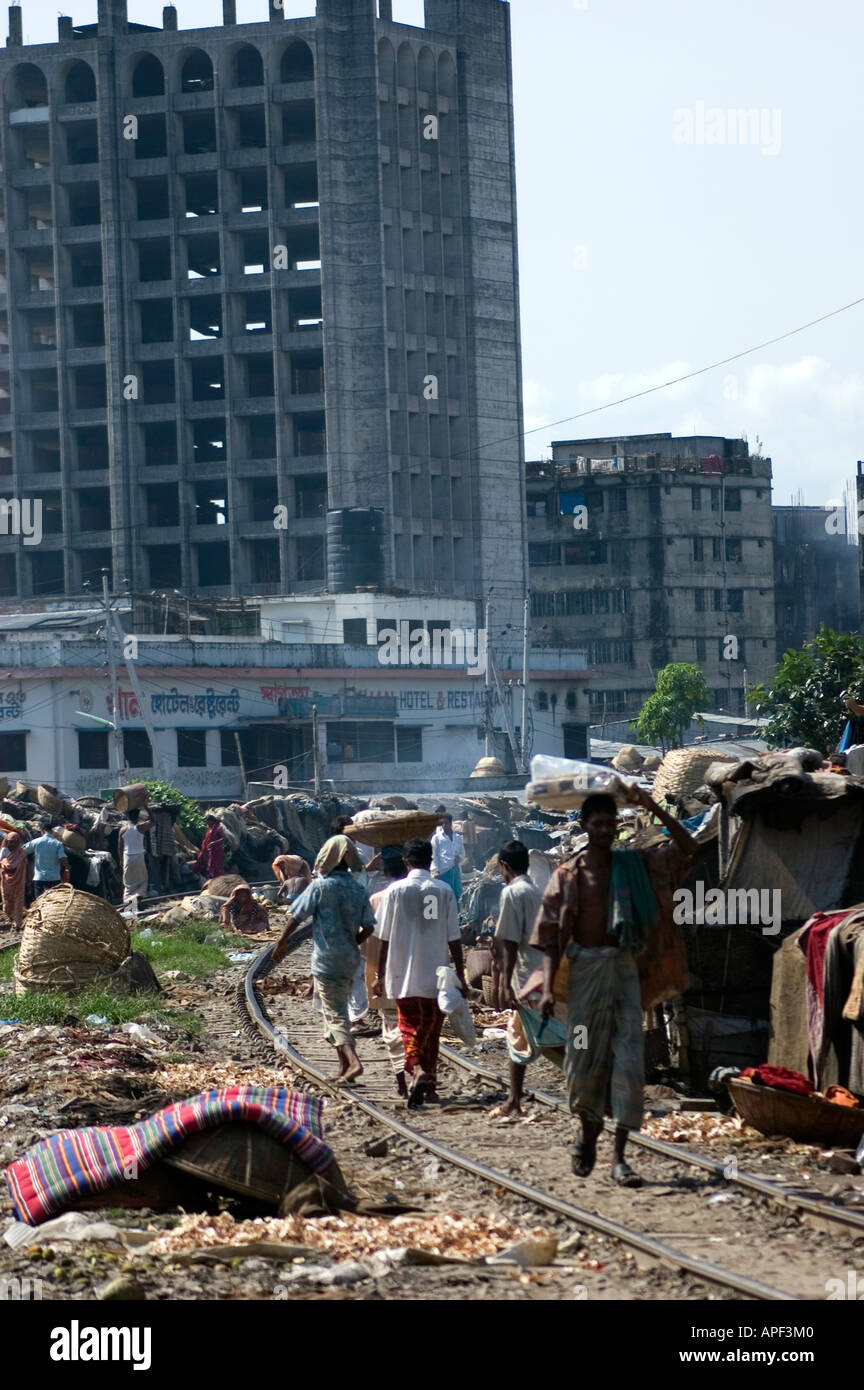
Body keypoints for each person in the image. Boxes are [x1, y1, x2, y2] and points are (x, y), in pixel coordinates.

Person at [532, 786, 698, 1187]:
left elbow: (689, 850)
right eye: (598, 824)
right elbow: (551, 935)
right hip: (585, 981)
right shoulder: (568, 875)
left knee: (628, 1063)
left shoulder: (635, 865)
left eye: (611, 823)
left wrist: (651, 804)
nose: (605, 830)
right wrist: (548, 986)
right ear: (584, 826)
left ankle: (620, 1158)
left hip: (625, 977)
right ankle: (587, 1134)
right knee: (584, 1058)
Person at [271, 834, 374, 1083]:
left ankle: (354, 1062)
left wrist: (282, 941)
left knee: (335, 1013)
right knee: (336, 1009)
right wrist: (352, 943)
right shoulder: (358, 888)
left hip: (327, 960)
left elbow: (296, 916)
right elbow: (369, 927)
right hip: (350, 958)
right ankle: (343, 1068)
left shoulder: (320, 886)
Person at [373, 837, 466, 1107]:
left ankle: (417, 1070)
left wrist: (380, 975)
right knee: (432, 1029)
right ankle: (431, 1085)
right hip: (436, 975)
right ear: (430, 859)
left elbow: (384, 938)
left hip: (402, 974)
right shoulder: (444, 890)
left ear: (406, 862)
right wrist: (460, 972)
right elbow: (454, 937)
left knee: (408, 1026)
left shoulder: (395, 891)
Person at [491, 840, 565, 1117]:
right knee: (516, 1038)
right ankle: (514, 1099)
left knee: (552, 1040)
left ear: (505, 867)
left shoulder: (512, 893)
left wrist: (505, 984)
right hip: (541, 973)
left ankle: (591, 1085)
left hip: (525, 979)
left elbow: (508, 943)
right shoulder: (536, 891)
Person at [365, 846, 409, 1098]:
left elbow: (372, 944)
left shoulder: (377, 899)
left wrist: (377, 976)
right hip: (420, 973)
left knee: (392, 1027)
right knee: (417, 1024)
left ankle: (402, 1082)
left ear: (384, 870)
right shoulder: (426, 896)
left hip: (389, 974)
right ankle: (425, 1075)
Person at [118, 808, 152, 905]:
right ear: (138, 816)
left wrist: (121, 860)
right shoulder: (141, 827)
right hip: (139, 857)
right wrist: (146, 808)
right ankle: (138, 897)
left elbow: (120, 847)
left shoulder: (122, 830)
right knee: (142, 880)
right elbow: (153, 821)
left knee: (128, 883)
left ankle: (128, 902)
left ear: (127, 816)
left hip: (127, 857)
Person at [431, 813, 465, 899]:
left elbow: (462, 852)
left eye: (446, 823)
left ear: (451, 823)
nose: (444, 825)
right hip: (443, 871)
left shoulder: (457, 837)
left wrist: (459, 858)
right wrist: (435, 870)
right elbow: (433, 855)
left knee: (457, 894)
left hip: (455, 870)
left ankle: (457, 912)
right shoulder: (437, 838)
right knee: (445, 895)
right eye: (442, 823)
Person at [28, 828, 69, 898]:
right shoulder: (58, 843)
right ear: (52, 832)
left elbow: (23, 850)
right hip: (54, 878)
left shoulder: (36, 841)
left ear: (42, 831)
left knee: (39, 900)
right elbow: (62, 858)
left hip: (39, 877)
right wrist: (67, 867)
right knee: (54, 901)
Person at [0, 830, 29, 928]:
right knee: (7, 902)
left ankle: (18, 922)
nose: (12, 844)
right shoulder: (4, 851)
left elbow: (24, 865)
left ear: (18, 842)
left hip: (19, 881)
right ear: (7, 841)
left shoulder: (22, 852)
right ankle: (11, 918)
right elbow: (2, 863)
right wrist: (6, 864)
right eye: (10, 841)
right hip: (6, 880)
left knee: (18, 901)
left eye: (14, 841)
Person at [195, 814, 225, 881]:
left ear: (212, 821)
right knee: (210, 865)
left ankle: (219, 880)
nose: (207, 824)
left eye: (208, 822)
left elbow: (223, 839)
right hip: (211, 851)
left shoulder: (218, 828)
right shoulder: (210, 830)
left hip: (217, 851)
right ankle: (212, 879)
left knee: (217, 866)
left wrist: (214, 843)